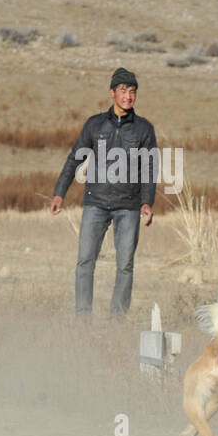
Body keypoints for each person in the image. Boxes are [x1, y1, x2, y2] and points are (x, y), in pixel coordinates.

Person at [50, 67, 155, 319]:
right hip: (95, 203)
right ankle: (82, 318)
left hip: (128, 207)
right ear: (112, 92)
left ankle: (117, 322)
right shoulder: (94, 125)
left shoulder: (144, 129)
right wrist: (59, 193)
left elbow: (150, 168)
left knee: (125, 266)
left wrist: (147, 203)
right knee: (85, 261)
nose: (128, 96)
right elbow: (74, 158)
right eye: (123, 91)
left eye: (132, 92)